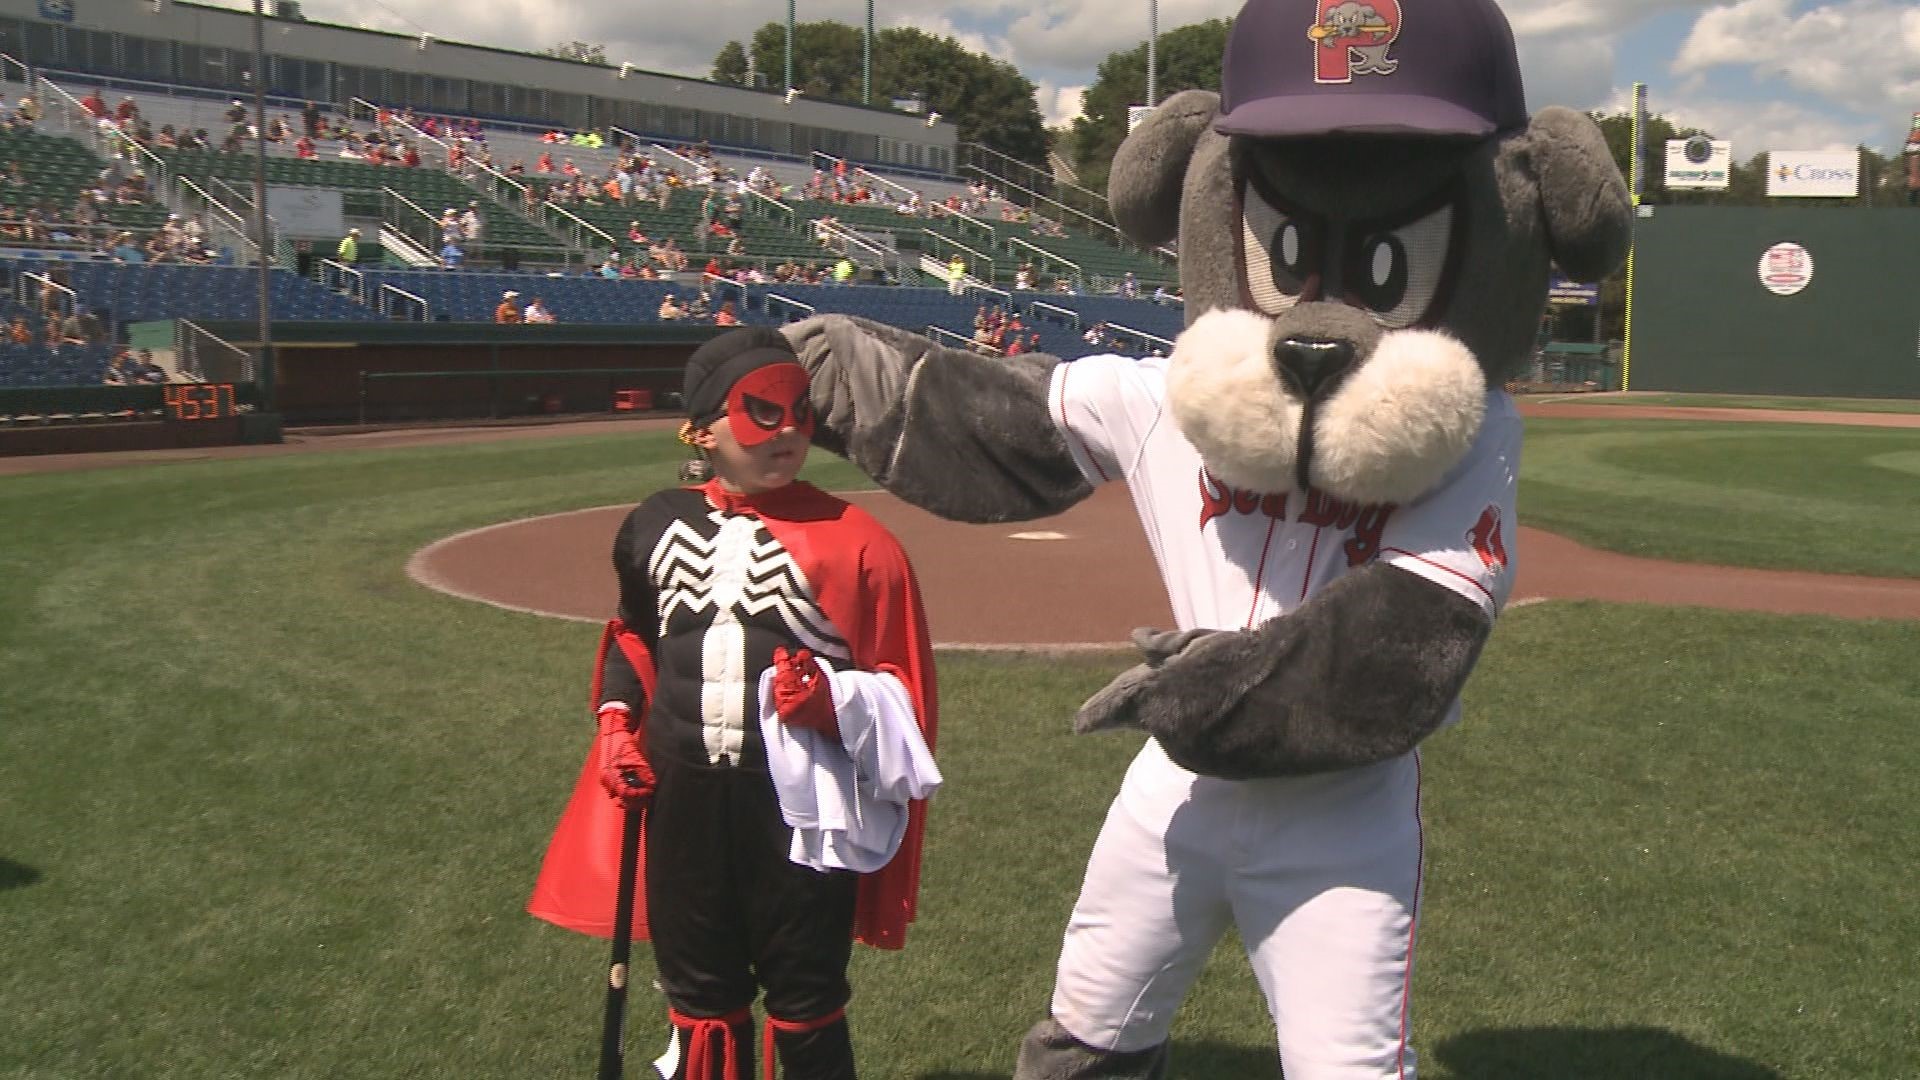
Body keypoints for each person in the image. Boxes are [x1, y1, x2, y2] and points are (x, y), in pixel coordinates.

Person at [528, 327, 940, 1080]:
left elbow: (899, 686)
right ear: (702, 430)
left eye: (800, 412)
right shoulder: (652, 524)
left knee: (807, 994)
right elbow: (634, 637)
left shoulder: (860, 543)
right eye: (762, 413)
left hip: (800, 810)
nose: (788, 433)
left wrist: (832, 705)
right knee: (699, 993)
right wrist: (616, 726)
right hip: (680, 796)